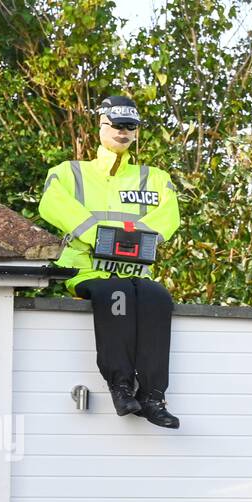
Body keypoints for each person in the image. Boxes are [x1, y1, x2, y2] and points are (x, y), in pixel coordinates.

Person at [39, 94, 182, 429]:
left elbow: (169, 216)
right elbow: (53, 205)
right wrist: (102, 237)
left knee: (157, 298)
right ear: (100, 125)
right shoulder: (69, 172)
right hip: (87, 270)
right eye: (117, 124)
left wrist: (126, 242)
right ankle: (120, 386)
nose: (123, 131)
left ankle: (152, 395)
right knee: (115, 293)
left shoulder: (155, 178)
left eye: (130, 126)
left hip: (135, 273)